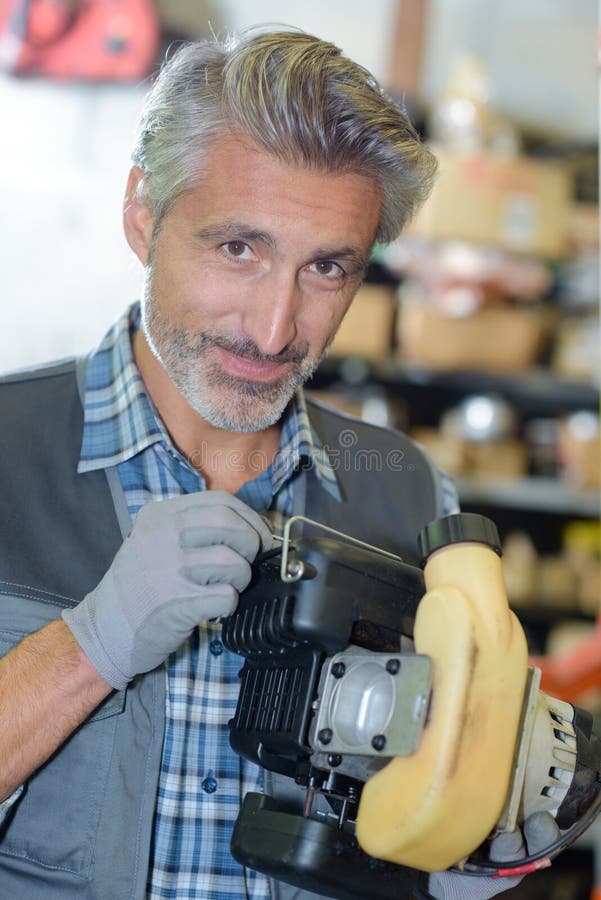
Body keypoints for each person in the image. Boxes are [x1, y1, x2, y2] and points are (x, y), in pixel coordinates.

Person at [0, 26, 552, 900]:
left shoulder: (408, 495)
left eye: (327, 268)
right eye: (237, 249)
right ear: (143, 212)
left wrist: (463, 853)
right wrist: (89, 645)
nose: (272, 330)